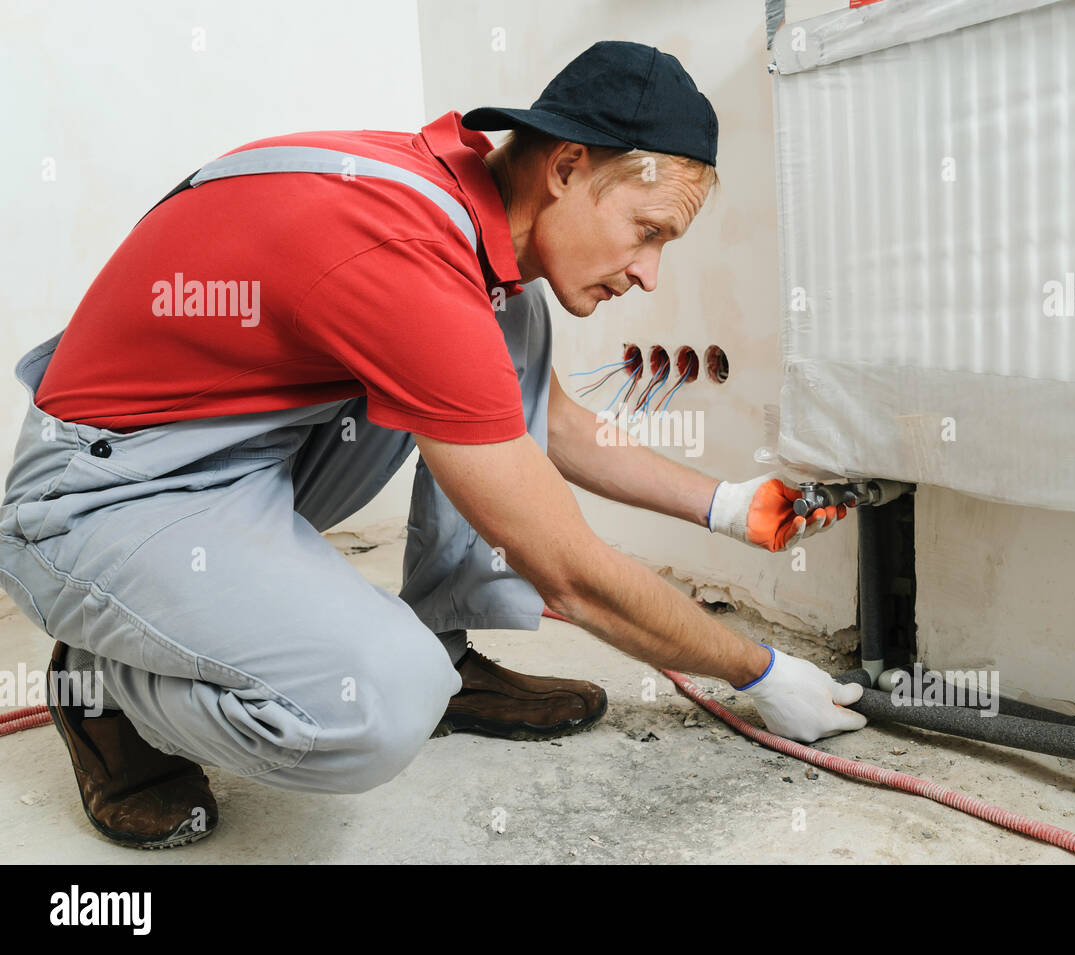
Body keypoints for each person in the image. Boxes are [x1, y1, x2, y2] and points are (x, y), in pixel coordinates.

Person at [0, 40, 865, 850]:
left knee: (506, 314)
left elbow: (542, 420)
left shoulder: (464, 219)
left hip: (227, 459)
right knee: (377, 703)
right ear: (568, 168)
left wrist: (728, 507)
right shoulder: (403, 254)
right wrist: (758, 673)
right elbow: (568, 570)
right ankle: (106, 683)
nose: (649, 271)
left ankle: (446, 639)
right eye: (649, 231)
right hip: (98, 498)